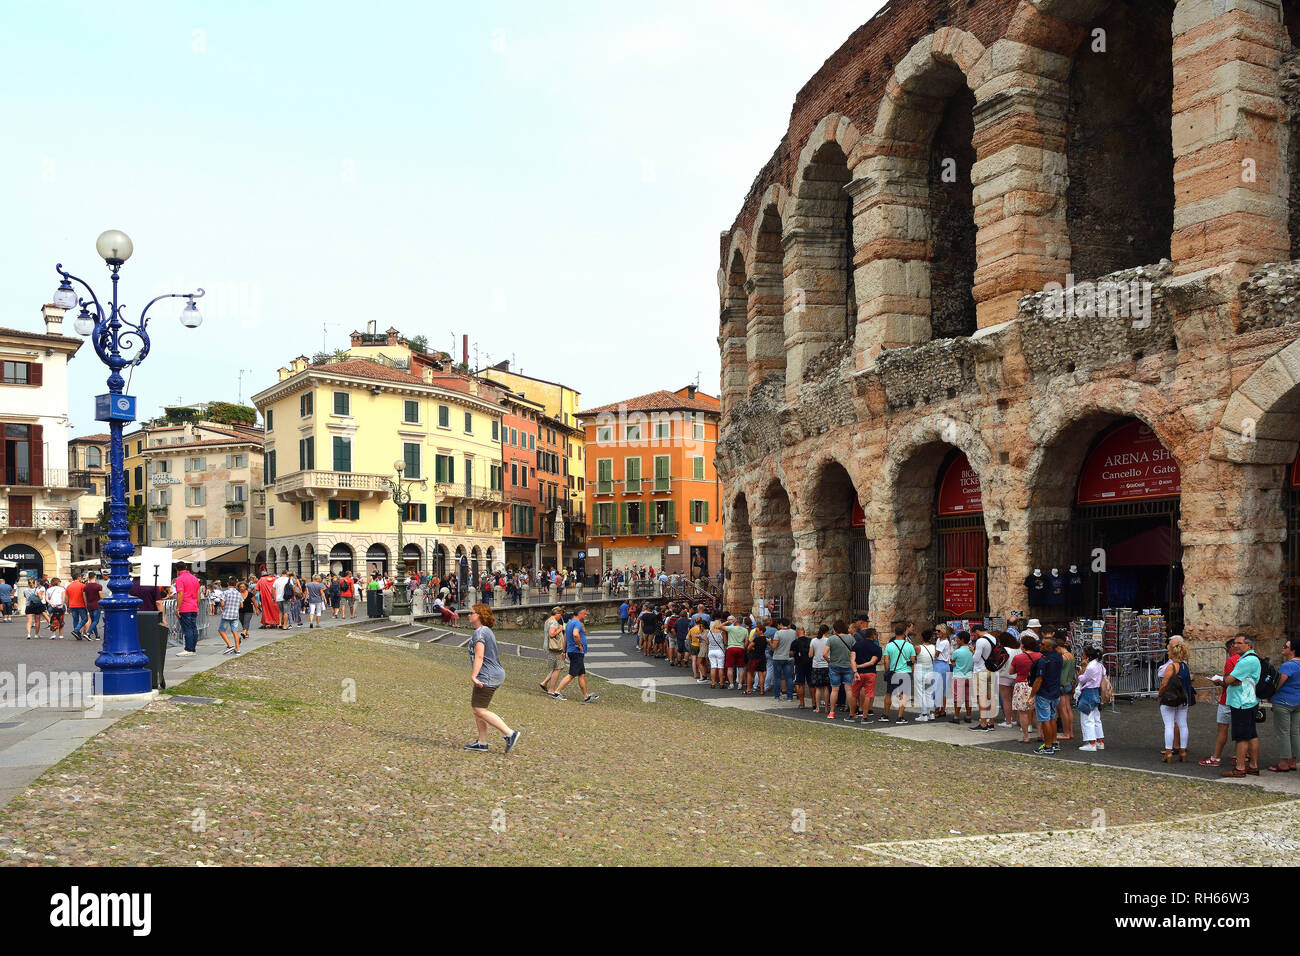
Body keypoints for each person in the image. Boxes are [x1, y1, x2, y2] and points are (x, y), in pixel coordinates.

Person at [463, 604, 520, 753]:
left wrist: (474, 676)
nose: (468, 615)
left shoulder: (480, 632)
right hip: (494, 673)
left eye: (471, 613)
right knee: (479, 708)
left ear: (479, 615)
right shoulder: (486, 631)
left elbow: (479, 656)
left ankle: (510, 733)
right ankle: (482, 742)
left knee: (479, 709)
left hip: (487, 675)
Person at [1215, 634, 1262, 777]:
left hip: (1241, 702)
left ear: (1248, 645)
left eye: (1239, 643)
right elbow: (1239, 679)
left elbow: (1229, 679)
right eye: (1235, 643)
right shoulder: (1252, 659)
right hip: (1250, 700)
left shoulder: (1245, 661)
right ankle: (1253, 765)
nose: (1235, 645)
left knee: (1241, 736)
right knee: (1251, 734)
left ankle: (1240, 768)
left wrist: (1220, 680)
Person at [1200, 637, 1243, 767]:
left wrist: (1219, 681)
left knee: (1223, 729)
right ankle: (1242, 755)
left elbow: (1229, 682)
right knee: (1243, 729)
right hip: (1243, 699)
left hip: (1228, 699)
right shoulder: (1246, 660)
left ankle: (1216, 757)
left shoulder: (1231, 660)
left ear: (1231, 648)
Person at [551, 607, 598, 703]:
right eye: (584, 614)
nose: (585, 616)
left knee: (582, 674)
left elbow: (565, 638)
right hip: (577, 652)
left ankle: (586, 696)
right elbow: (575, 634)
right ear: (579, 614)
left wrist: (564, 651)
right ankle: (556, 692)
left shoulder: (569, 623)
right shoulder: (577, 623)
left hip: (573, 651)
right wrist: (580, 645)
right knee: (572, 674)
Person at [1157, 639, 1192, 763]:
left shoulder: (1171, 667)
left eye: (1169, 651)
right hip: (1183, 698)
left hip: (1170, 699)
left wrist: (1160, 695)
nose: (1168, 653)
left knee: (1169, 725)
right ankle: (1183, 750)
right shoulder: (1185, 666)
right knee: (1183, 724)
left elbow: (1164, 683)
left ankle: (1168, 751)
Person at [1268, 637, 1299, 773]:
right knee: (1295, 732)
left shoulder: (1288, 666)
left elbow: (1280, 681)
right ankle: (1293, 761)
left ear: (1292, 650)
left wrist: (1271, 693)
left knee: (1283, 732)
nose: (1283, 648)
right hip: (1298, 701)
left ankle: (1283, 762)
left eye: (1285, 646)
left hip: (1284, 701)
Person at [1029, 636, 1063, 755]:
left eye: (1042, 644)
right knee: (1052, 717)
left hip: (1044, 693)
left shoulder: (1044, 661)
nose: (1040, 646)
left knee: (1045, 720)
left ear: (1049, 647)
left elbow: (1039, 680)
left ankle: (1048, 745)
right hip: (1055, 692)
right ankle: (1054, 742)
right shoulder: (1058, 657)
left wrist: (1031, 695)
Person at [1074, 644, 1106, 751]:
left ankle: (1091, 743)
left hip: (1088, 692)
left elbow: (1083, 679)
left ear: (1087, 656)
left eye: (1083, 654)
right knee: (1096, 718)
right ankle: (1099, 741)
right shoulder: (1099, 665)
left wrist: (1081, 670)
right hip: (1096, 692)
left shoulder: (1090, 667)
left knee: (1087, 718)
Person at [1010, 633, 1040, 743]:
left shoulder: (1018, 657)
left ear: (1023, 646)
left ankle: (1026, 736)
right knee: (1038, 710)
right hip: (1037, 684)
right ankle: (1040, 734)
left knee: (1023, 711)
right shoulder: (1040, 656)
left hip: (1022, 684)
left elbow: (1011, 671)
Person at [883, 625, 916, 723]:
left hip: (893, 672)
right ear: (904, 633)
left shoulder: (889, 645)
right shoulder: (910, 646)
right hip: (906, 672)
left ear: (895, 632)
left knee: (889, 693)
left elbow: (886, 660)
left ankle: (885, 715)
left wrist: (887, 670)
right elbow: (913, 661)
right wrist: (912, 672)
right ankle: (900, 717)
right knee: (903, 695)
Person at [971, 624, 999, 730]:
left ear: (977, 631)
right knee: (991, 697)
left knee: (981, 697)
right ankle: (991, 723)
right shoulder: (993, 638)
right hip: (992, 670)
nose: (974, 636)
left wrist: (972, 652)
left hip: (981, 670)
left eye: (974, 633)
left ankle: (983, 723)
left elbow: (976, 659)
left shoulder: (980, 641)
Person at [850, 626, 881, 722]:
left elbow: (852, 659)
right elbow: (872, 662)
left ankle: (851, 715)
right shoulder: (877, 648)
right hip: (870, 673)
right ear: (874, 636)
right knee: (868, 695)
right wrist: (861, 666)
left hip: (858, 673)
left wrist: (856, 670)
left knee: (854, 694)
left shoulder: (856, 645)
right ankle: (864, 716)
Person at [173, 563, 202, 656]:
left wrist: (177, 608)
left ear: (177, 569)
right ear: (186, 567)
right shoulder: (194, 578)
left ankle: (188, 649)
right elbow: (198, 594)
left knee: (187, 629)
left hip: (185, 607)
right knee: (194, 628)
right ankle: (192, 648)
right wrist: (197, 606)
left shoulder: (179, 579)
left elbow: (180, 594)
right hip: (193, 606)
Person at [539, 606, 566, 695]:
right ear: (557, 614)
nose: (561, 617)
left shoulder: (548, 620)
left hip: (548, 646)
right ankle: (551, 689)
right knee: (558, 668)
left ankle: (544, 683)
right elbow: (551, 634)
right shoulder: (554, 623)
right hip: (554, 648)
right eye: (561, 615)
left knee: (556, 667)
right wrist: (560, 629)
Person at [769, 617, 796, 701]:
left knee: (777, 677)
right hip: (789, 657)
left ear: (780, 624)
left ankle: (777, 695)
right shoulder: (793, 632)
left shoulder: (778, 633)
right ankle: (790, 696)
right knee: (789, 677)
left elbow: (774, 646)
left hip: (778, 657)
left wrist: (769, 641)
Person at [913, 629, 937, 722]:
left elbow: (914, 658)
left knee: (921, 692)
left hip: (920, 669)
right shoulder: (934, 647)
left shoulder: (918, 647)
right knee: (929, 692)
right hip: (930, 670)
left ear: (922, 637)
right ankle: (931, 713)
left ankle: (923, 714)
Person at [951, 631, 974, 723]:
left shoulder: (957, 652)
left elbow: (953, 662)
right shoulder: (971, 651)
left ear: (962, 640)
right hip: (969, 676)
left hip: (958, 676)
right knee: (968, 697)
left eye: (958, 638)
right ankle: (968, 716)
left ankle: (956, 716)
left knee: (958, 697)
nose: (956, 640)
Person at [808, 624, 831, 713]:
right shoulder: (828, 640)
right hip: (825, 665)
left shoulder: (813, 640)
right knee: (826, 687)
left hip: (816, 665)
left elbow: (810, 654)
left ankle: (817, 707)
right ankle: (826, 708)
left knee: (818, 688)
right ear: (827, 632)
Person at [1058, 635, 1077, 741]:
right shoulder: (1071, 655)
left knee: (1063, 710)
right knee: (1068, 709)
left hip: (1062, 684)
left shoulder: (1063, 657)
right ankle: (1071, 731)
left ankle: (1066, 732)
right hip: (1069, 683)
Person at [217, 578, 242, 654]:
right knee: (235, 631)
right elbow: (241, 605)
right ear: (235, 585)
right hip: (235, 615)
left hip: (226, 614)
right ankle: (237, 649)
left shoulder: (225, 593)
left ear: (228, 584)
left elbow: (223, 604)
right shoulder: (238, 593)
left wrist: (221, 604)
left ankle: (230, 645)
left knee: (221, 630)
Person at [932, 624, 952, 718]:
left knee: (938, 688)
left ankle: (937, 709)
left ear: (943, 632)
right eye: (936, 631)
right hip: (940, 664)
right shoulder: (940, 640)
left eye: (938, 631)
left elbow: (936, 654)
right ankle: (941, 709)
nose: (937, 633)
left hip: (940, 664)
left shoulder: (944, 642)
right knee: (941, 688)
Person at [724, 615, 748, 690]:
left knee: (730, 667)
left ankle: (731, 684)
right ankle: (740, 684)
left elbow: (719, 627)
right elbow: (746, 641)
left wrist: (728, 621)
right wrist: (744, 647)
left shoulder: (731, 628)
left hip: (731, 648)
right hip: (740, 648)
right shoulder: (745, 630)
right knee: (741, 667)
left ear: (736, 621)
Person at [81, 571, 103, 640]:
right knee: (96, 621)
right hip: (97, 605)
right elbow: (101, 596)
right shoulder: (98, 586)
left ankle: (97, 636)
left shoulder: (85, 587)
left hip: (89, 605)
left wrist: (86, 604)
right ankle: (88, 633)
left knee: (93, 620)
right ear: (95, 577)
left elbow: (84, 597)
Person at [706, 619, 728, 688]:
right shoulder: (722, 632)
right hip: (720, 651)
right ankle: (721, 683)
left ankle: (713, 683)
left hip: (711, 651)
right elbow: (725, 642)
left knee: (713, 667)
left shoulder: (709, 632)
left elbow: (707, 642)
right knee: (720, 668)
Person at [66, 571, 87, 642]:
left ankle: (77, 634)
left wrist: (67, 606)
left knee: (75, 620)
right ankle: (76, 630)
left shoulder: (68, 586)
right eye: (80, 577)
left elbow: (67, 598)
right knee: (85, 619)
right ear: (78, 577)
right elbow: (84, 596)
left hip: (72, 605)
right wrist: (86, 604)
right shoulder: (82, 585)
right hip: (81, 604)